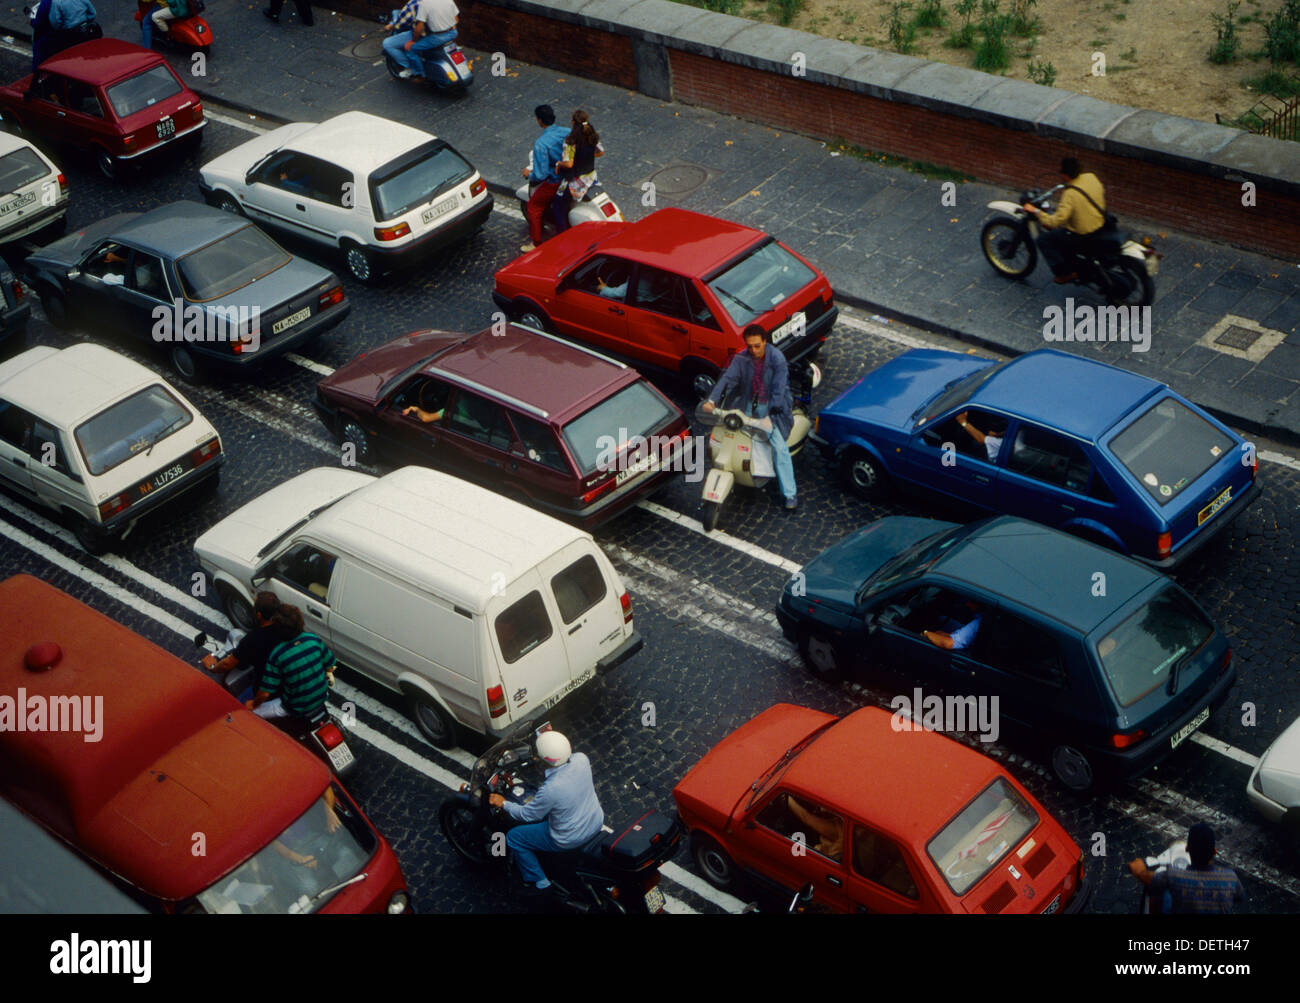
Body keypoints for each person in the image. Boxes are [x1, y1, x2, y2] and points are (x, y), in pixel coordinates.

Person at [488, 730, 603, 894]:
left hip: (568, 838)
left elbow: (527, 815)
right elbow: (561, 752)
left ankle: (540, 883)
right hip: (595, 821)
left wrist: (504, 803)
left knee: (514, 837)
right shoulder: (581, 759)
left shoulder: (551, 789)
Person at [702, 324, 798, 510]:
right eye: (750, 346)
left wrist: (770, 415)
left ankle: (790, 493)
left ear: (765, 342)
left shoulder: (777, 359)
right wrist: (712, 400)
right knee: (731, 433)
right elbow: (728, 379)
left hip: (772, 408)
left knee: (779, 448)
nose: (753, 350)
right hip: (748, 403)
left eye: (757, 346)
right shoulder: (742, 358)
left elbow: (778, 390)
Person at [1022, 156, 1106, 284]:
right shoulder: (1091, 176)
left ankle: (1065, 274)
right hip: (1100, 221)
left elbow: (1055, 222)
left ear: (1066, 175)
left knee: (1044, 240)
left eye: (1061, 171)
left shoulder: (1070, 194)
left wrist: (1035, 211)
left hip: (1082, 234)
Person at [1128, 823, 1245, 914]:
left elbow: (1140, 873)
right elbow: (1239, 897)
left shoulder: (1173, 876)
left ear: (1188, 849)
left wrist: (1139, 865)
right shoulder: (1231, 877)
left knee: (1165, 895)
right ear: (1215, 851)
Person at [246, 604, 333, 721]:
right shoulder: (313, 639)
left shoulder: (278, 654)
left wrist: (252, 704)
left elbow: (265, 693)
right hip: (322, 696)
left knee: (251, 713)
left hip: (295, 707)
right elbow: (330, 665)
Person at [201, 591, 282, 700]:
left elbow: (227, 664)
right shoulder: (285, 626)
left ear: (259, 615)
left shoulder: (253, 638)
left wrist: (212, 666)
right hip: (286, 680)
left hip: (266, 689)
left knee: (236, 708)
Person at [520, 104, 569, 253]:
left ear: (539, 120)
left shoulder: (541, 144)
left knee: (533, 207)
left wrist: (529, 174)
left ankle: (536, 243)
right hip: (569, 176)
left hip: (555, 181)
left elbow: (540, 174)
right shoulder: (567, 131)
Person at [551, 110, 604, 233]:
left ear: (573, 122)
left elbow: (569, 164)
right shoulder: (592, 136)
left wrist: (559, 163)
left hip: (576, 180)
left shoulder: (570, 141)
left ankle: (562, 235)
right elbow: (600, 152)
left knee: (558, 206)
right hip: (590, 177)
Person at [382, 0, 458, 81]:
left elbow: (418, 29)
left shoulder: (420, 4)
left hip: (437, 36)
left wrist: (413, 41)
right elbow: (456, 19)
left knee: (410, 49)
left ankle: (419, 74)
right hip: (453, 32)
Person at [32, 0, 99, 70]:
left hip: (70, 34)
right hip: (85, 31)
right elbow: (93, 13)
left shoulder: (56, 2)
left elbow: (55, 23)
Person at [785, 794, 842, 860]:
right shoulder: (840, 822)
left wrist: (788, 799)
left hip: (823, 857)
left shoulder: (836, 831)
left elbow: (806, 818)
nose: (822, 809)